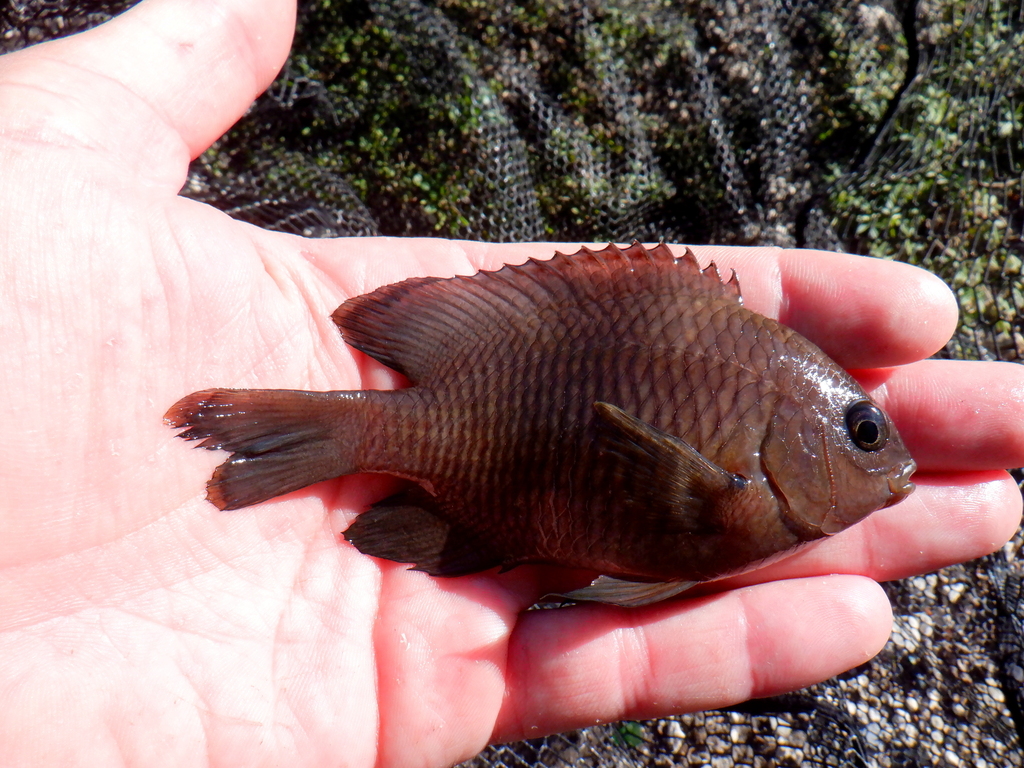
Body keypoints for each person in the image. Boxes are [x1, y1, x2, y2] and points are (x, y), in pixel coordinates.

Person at [0, 0, 1020, 765]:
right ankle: (324, 436)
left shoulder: (757, 443)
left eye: (863, 434)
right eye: (860, 434)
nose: (880, 457)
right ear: (792, 431)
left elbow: (639, 566)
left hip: (494, 493)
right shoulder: (754, 451)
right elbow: (639, 557)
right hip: (483, 425)